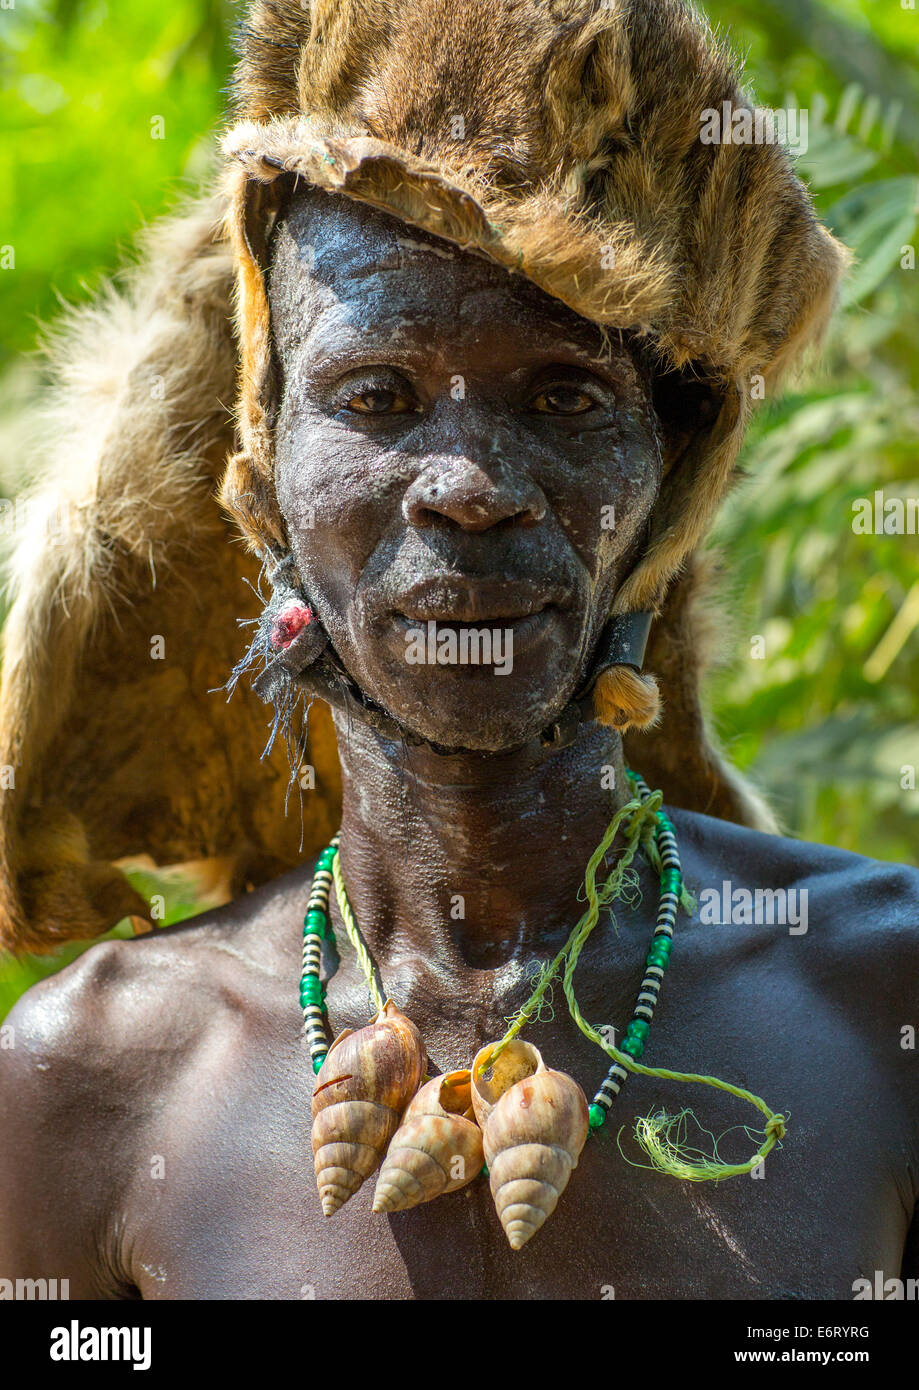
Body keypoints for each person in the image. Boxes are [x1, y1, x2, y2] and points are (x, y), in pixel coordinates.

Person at [0, 0, 916, 1300]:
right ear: (261, 478)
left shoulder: (882, 998)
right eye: (377, 397)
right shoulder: (93, 1080)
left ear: (672, 485)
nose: (472, 484)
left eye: (566, 395)